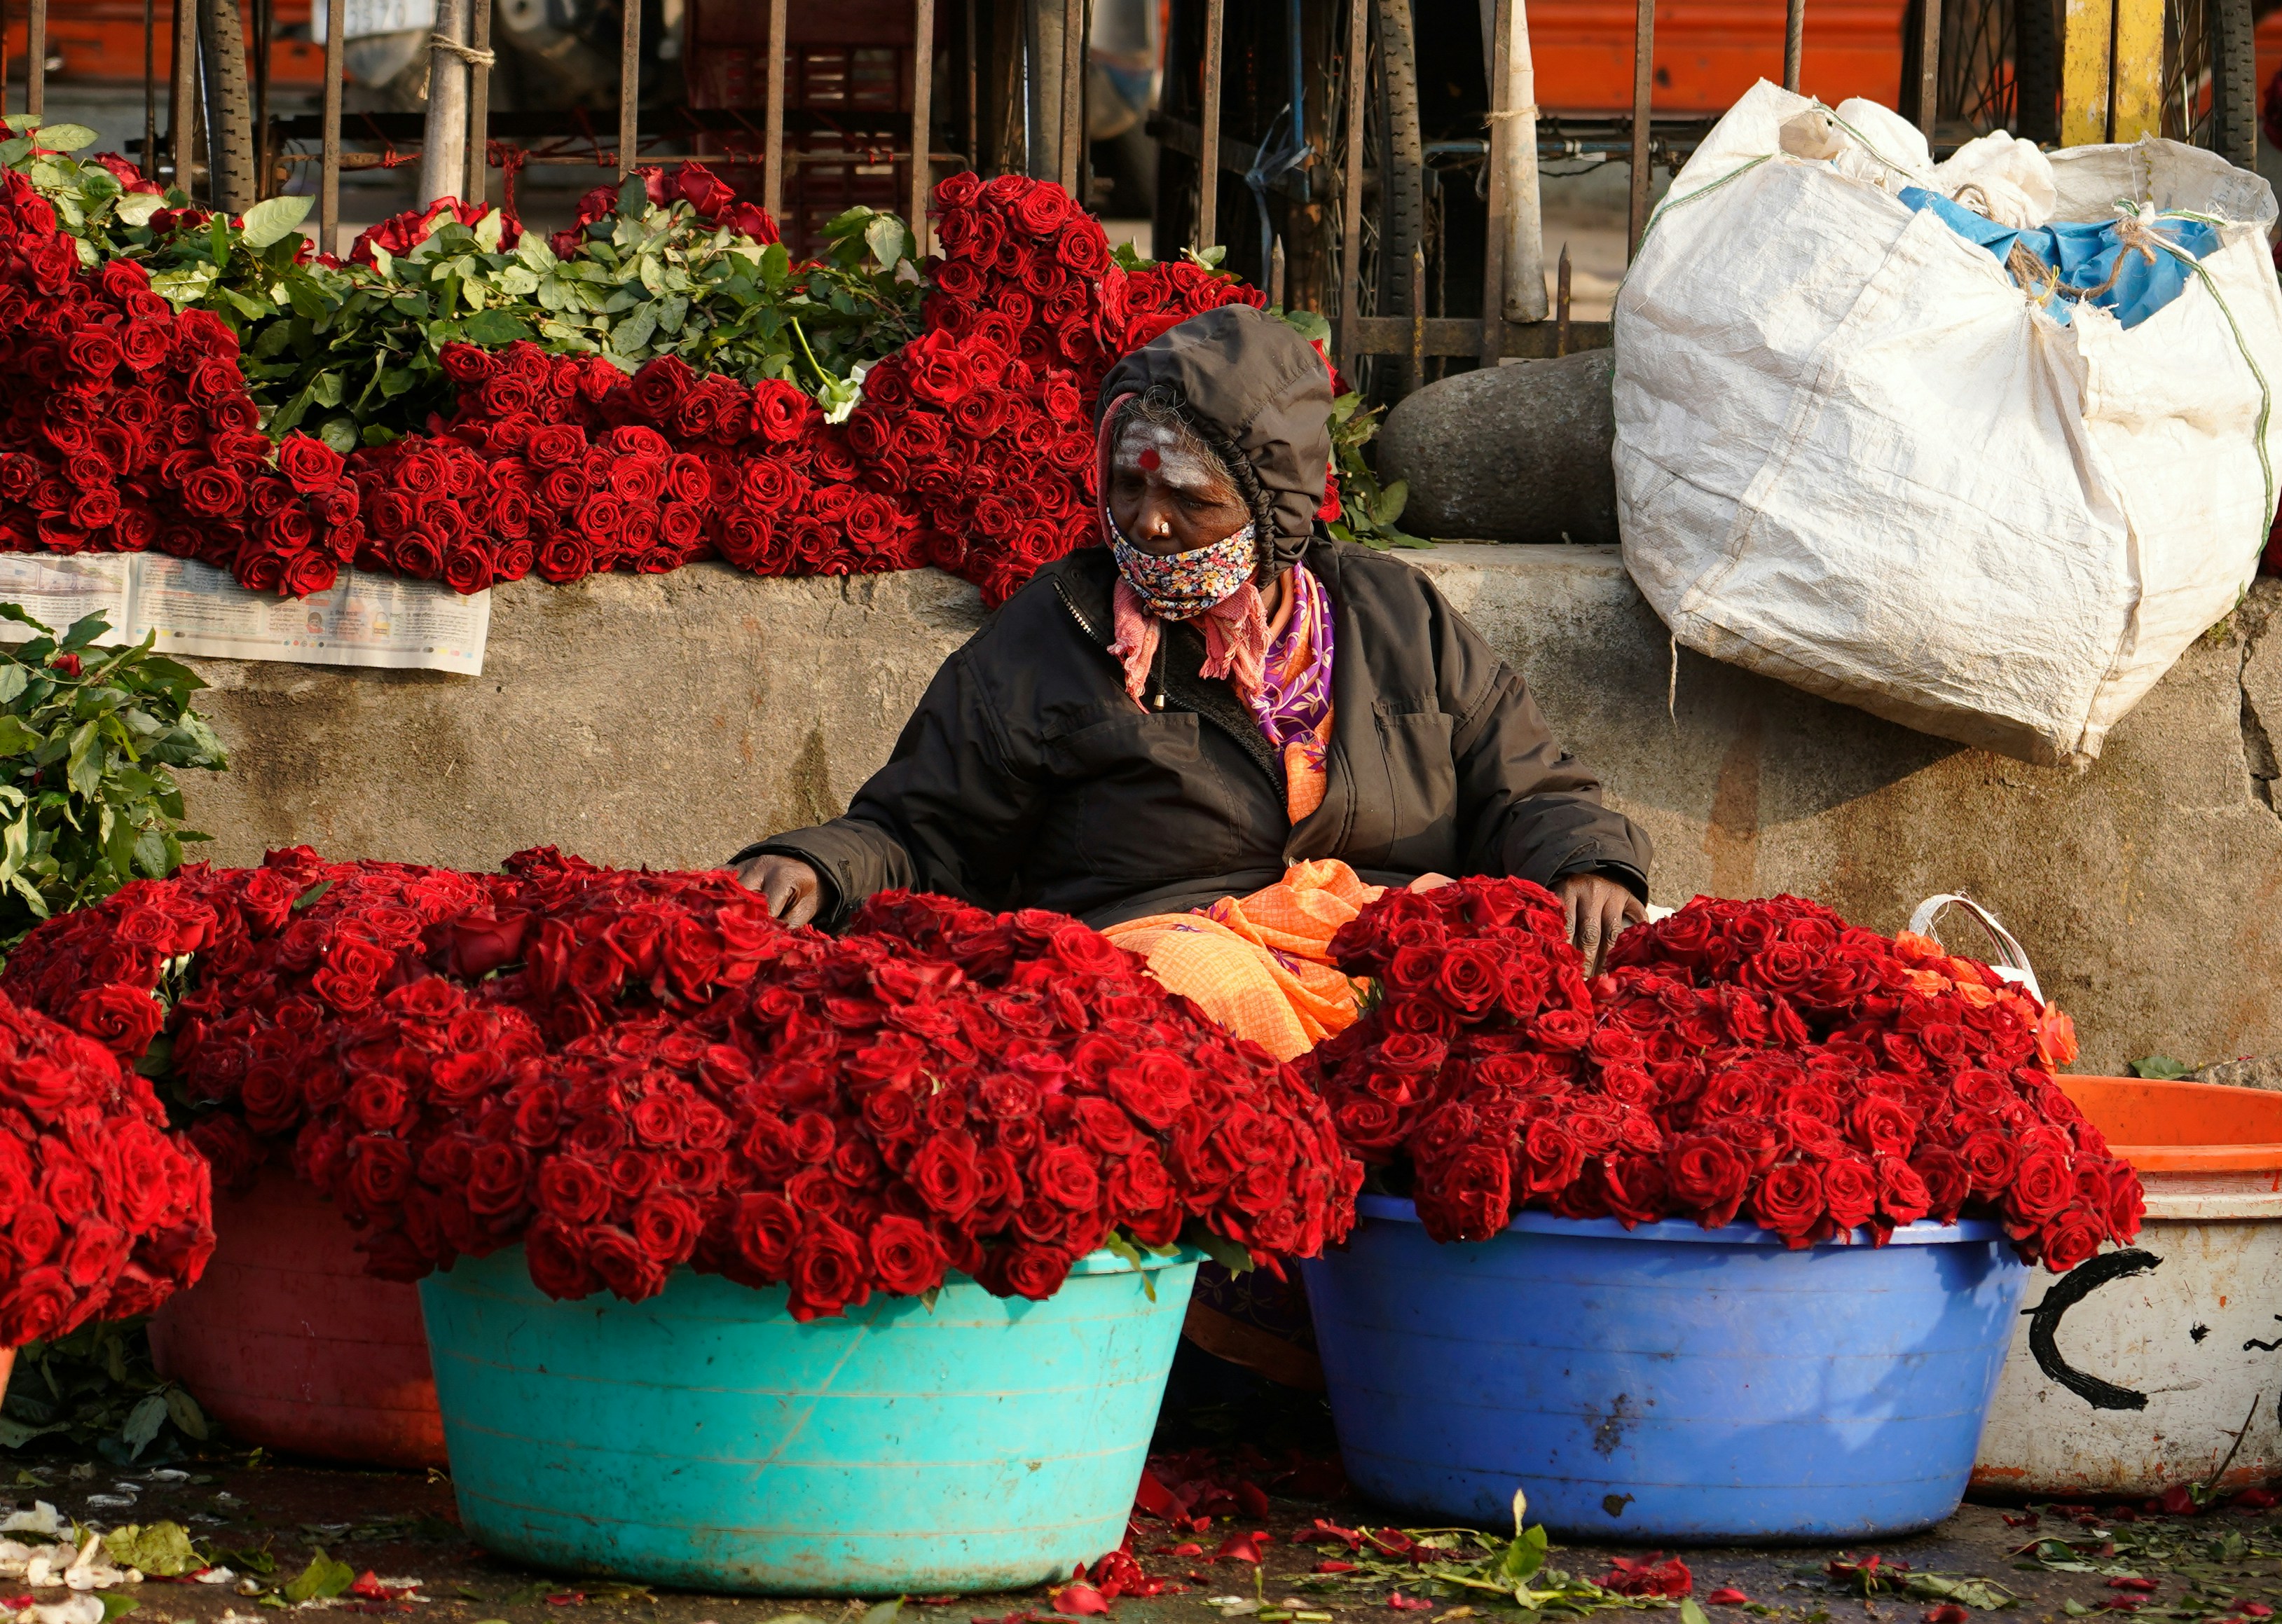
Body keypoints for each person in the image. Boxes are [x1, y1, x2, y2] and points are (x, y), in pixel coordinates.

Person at [731, 304, 1651, 1048]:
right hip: (1167, 978)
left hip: (1384, 959)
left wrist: (1588, 863)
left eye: (1189, 497)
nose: (1149, 522)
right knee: (1196, 984)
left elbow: (1528, 787)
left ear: (1274, 505)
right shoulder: (1054, 634)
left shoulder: (1394, 616)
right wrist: (812, 869)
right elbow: (919, 830)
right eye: (1128, 487)